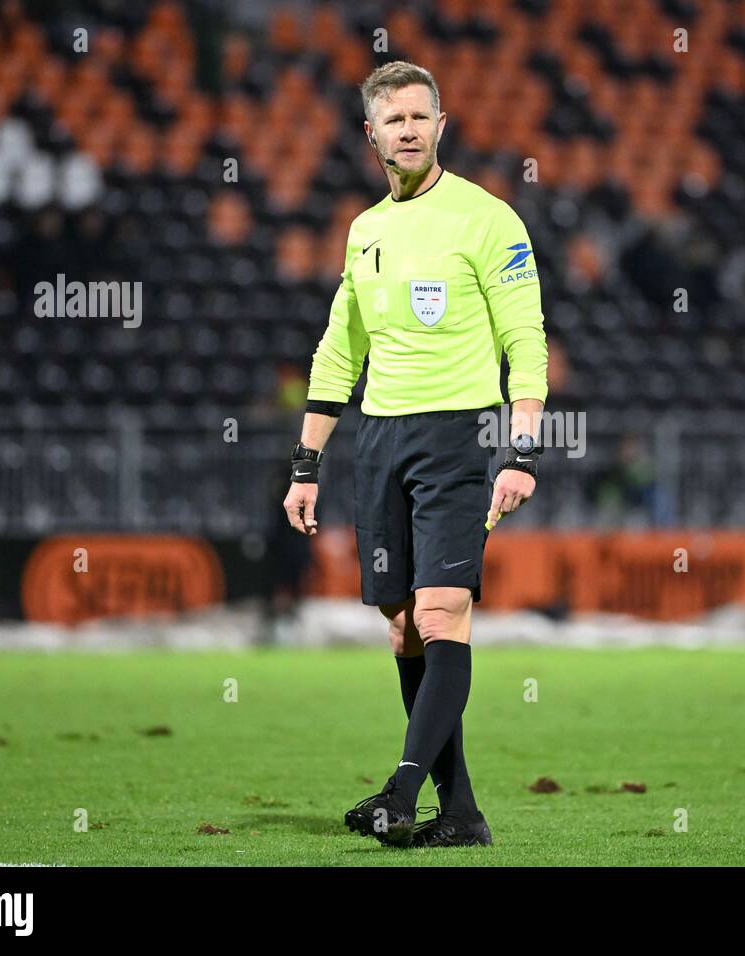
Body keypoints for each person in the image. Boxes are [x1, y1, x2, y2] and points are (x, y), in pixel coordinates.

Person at [282, 61, 548, 848]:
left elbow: (524, 339)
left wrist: (522, 449)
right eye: (392, 119)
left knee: (440, 615)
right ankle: (459, 814)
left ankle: (402, 790)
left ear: (442, 124)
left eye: (419, 117)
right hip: (380, 439)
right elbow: (340, 350)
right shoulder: (364, 231)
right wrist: (306, 466)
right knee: (402, 628)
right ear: (371, 134)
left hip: (458, 437)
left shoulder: (488, 218)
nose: (407, 129)